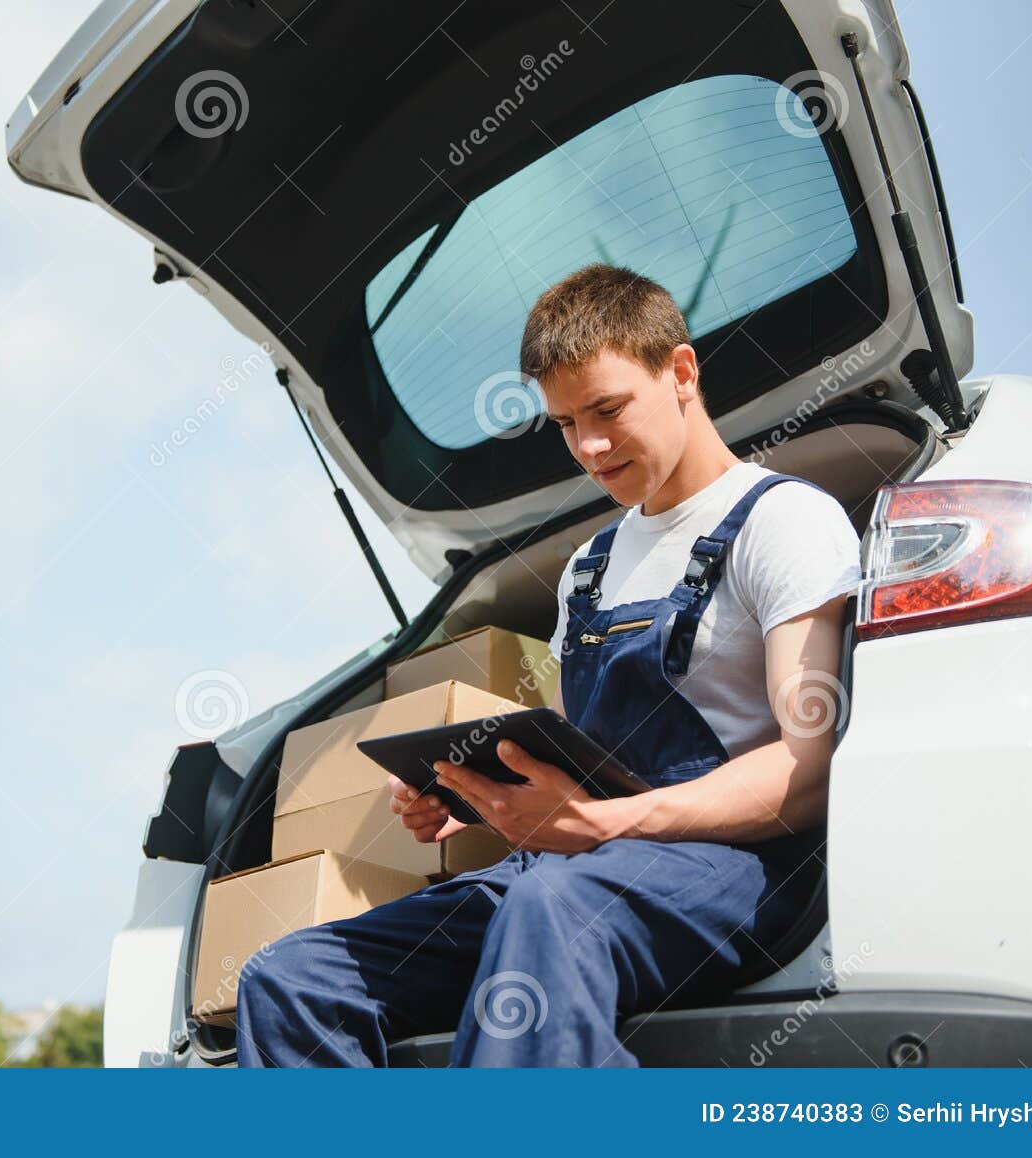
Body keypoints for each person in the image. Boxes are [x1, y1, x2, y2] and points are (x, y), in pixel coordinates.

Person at [235, 264, 862, 1067]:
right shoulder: (588, 569)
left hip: (732, 871)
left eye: (606, 410)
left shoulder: (783, 522)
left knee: (546, 903)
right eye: (566, 424)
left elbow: (810, 769)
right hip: (578, 869)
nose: (590, 448)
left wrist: (606, 824)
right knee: (291, 978)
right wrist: (477, 800)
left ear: (680, 373)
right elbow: (591, 755)